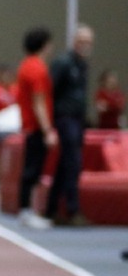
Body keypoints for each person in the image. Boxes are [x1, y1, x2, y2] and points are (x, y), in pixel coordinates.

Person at [44, 24, 92, 225]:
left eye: (88, 42)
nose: (85, 45)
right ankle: (72, 210)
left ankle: (52, 208)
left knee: (66, 165)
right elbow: (50, 90)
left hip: (78, 120)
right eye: (81, 41)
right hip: (65, 119)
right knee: (73, 163)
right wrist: (50, 123)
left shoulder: (83, 65)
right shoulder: (64, 63)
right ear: (74, 41)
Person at [15, 26, 57, 229]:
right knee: (33, 170)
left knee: (31, 169)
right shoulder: (37, 68)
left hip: (30, 125)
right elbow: (39, 101)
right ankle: (27, 211)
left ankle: (27, 210)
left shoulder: (26, 65)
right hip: (35, 126)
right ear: (44, 45)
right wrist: (48, 130)